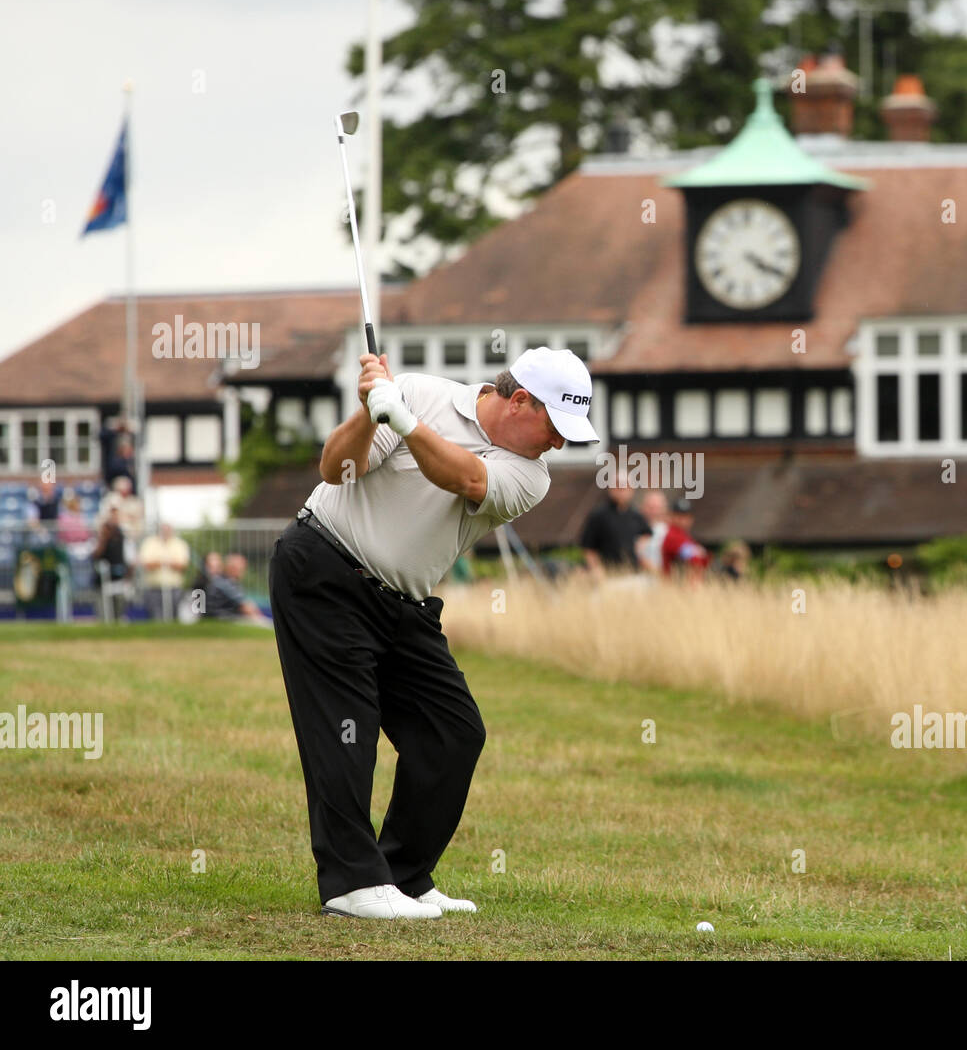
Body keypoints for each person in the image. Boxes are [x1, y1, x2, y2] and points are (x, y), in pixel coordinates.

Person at [269, 345, 598, 919]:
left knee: (453, 732)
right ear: (520, 400)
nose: (560, 444)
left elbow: (464, 476)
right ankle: (351, 882)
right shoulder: (422, 392)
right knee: (348, 728)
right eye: (555, 426)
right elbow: (335, 469)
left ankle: (401, 874)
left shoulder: (531, 475)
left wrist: (402, 420)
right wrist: (370, 409)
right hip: (322, 569)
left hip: (403, 602)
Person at [578, 474, 651, 579]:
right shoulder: (599, 515)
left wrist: (641, 550)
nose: (622, 489)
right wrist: (595, 568)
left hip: (632, 572)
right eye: (618, 486)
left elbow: (647, 534)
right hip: (608, 573)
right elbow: (588, 547)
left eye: (625, 486)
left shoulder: (636, 515)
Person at [138, 523, 191, 620]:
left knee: (175, 617)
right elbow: (146, 564)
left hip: (174, 588)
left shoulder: (179, 544)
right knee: (155, 617)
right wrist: (167, 562)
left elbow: (182, 565)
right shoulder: (150, 543)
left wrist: (160, 562)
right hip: (154, 588)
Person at [204, 552, 269, 625]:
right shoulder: (226, 583)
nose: (243, 571)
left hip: (221, 618)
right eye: (241, 568)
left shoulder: (222, 581)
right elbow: (247, 608)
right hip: (221, 619)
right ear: (232, 568)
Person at [660, 498, 710, 585]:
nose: (683, 520)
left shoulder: (686, 537)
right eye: (679, 516)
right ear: (671, 516)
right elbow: (695, 559)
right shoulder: (671, 536)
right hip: (674, 587)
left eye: (686, 516)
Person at [635, 489, 669, 575]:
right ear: (642, 508)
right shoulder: (634, 529)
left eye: (657, 508)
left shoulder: (668, 531)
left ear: (664, 509)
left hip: (664, 579)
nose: (654, 511)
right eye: (650, 507)